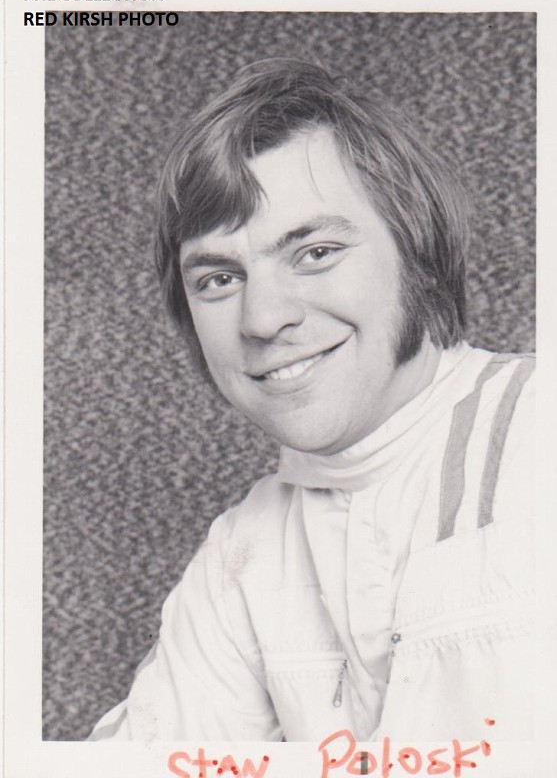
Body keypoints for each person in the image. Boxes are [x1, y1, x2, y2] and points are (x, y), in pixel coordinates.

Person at [90, 59, 534, 743]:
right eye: (218, 279)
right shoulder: (241, 555)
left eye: (316, 252)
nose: (263, 318)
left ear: (417, 252)